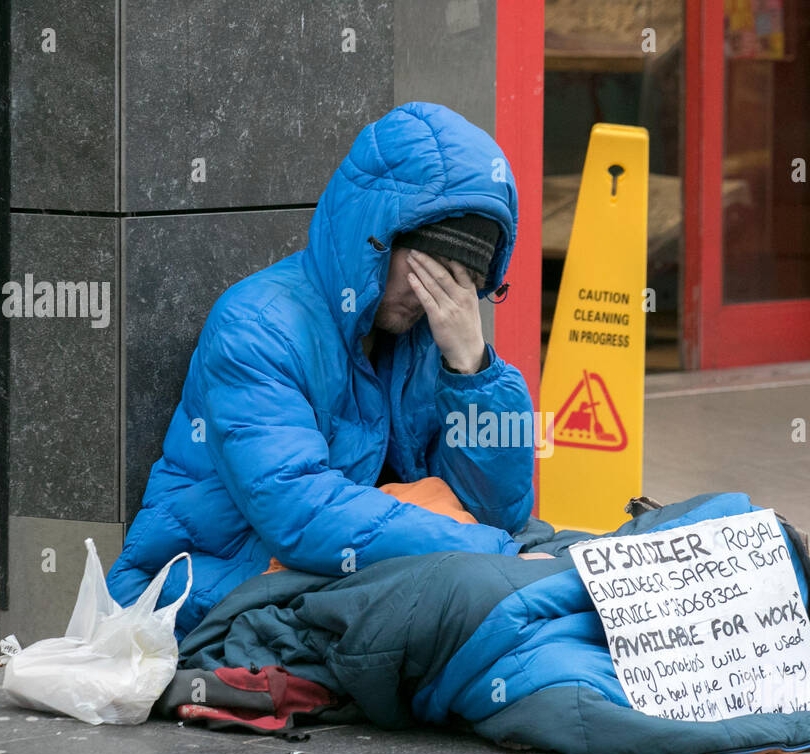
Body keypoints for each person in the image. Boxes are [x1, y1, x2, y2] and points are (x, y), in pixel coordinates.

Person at [105, 102, 545, 641]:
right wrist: (493, 554)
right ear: (380, 237)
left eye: (468, 283)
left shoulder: (434, 337)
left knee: (549, 586)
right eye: (436, 272)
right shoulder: (257, 325)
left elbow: (500, 510)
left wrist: (473, 368)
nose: (445, 301)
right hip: (217, 582)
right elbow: (299, 513)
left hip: (354, 575)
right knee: (515, 611)